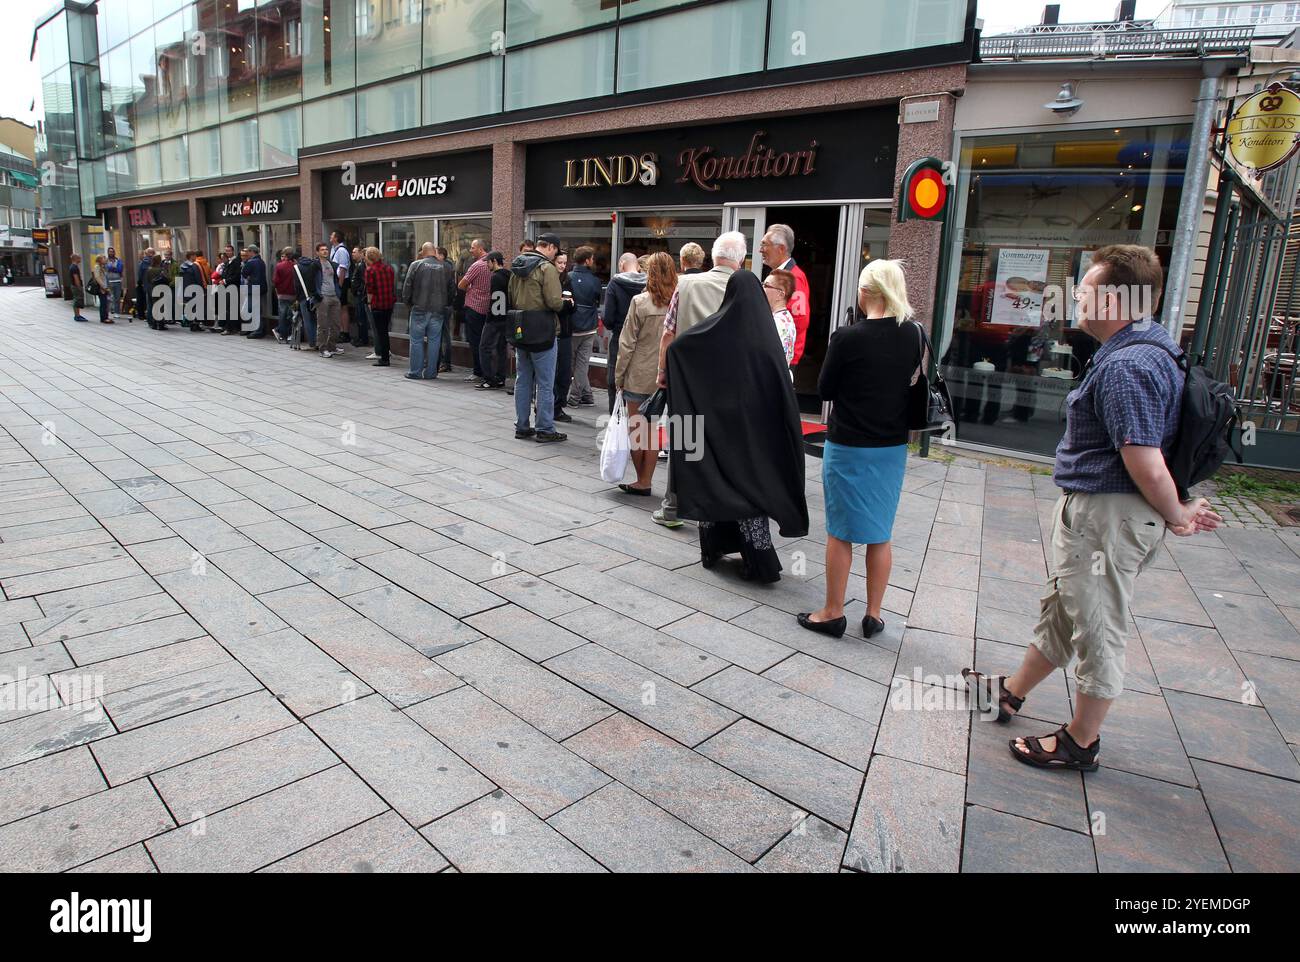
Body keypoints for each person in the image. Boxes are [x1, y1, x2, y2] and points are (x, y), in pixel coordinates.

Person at [962, 245, 1222, 773]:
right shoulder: (1147, 348)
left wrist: (1177, 513)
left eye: (1086, 287)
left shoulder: (1129, 364)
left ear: (1116, 297)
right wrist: (1176, 508)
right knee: (1065, 609)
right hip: (1106, 514)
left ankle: (1081, 740)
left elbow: (1145, 460)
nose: (1076, 294)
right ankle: (1009, 693)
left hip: (1108, 516)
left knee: (1098, 623)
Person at [797, 260, 922, 641]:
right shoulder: (914, 334)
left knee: (841, 532)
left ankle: (833, 613)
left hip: (849, 444)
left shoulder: (847, 337)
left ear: (865, 292)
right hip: (890, 447)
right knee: (880, 533)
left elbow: (825, 390)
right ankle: (873, 615)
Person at [667, 269, 808, 581]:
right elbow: (779, 384)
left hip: (719, 424)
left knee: (715, 478)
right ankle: (759, 560)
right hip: (754, 429)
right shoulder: (766, 338)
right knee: (750, 483)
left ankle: (714, 547)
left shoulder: (717, 329)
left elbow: (681, 348)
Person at [652, 232, 743, 529]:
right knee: (721, 442)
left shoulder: (687, 283)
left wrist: (662, 371)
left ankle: (673, 506)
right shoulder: (744, 287)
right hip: (728, 380)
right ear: (740, 260)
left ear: (714, 256)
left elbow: (669, 332)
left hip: (688, 379)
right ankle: (716, 505)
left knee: (685, 440)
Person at [614, 251, 677, 496]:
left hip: (638, 374)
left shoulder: (640, 302)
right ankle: (645, 479)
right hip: (666, 374)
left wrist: (619, 376)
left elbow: (626, 343)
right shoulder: (679, 301)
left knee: (636, 430)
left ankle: (641, 481)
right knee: (651, 432)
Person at [508, 232, 567, 443]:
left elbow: (512, 297)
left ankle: (522, 426)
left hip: (520, 327)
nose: (556, 255)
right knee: (544, 382)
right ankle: (545, 428)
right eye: (556, 251)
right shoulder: (546, 268)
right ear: (550, 247)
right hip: (543, 330)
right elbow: (554, 302)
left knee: (522, 379)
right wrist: (567, 303)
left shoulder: (517, 266)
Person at [402, 242, 457, 380]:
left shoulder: (416, 265)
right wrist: (446, 304)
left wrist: (408, 303)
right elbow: (452, 289)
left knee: (416, 340)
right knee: (434, 340)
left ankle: (415, 372)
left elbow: (407, 286)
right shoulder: (446, 267)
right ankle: (431, 372)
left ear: (423, 252)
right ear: (434, 252)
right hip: (438, 309)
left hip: (419, 307)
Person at [760, 224, 811, 367]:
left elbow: (800, 320)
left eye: (765, 245)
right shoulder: (785, 275)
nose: (760, 250)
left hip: (783, 359)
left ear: (781, 248)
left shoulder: (795, 277)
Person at [602, 252, 647, 413]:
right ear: (638, 266)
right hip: (642, 338)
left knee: (614, 378)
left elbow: (607, 318)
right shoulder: (648, 284)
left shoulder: (615, 283)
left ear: (622, 265)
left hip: (620, 335)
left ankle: (617, 417)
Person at [566, 246, 603, 408]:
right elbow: (596, 301)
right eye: (592, 258)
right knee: (582, 364)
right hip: (589, 326)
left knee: (573, 364)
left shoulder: (567, 277)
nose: (593, 261)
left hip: (572, 325)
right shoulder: (595, 281)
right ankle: (586, 395)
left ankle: (574, 397)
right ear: (587, 260)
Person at [458, 239, 492, 384]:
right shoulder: (492, 264)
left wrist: (471, 290)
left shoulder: (477, 265)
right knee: (485, 342)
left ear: (480, 248)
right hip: (487, 308)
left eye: (472, 248)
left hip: (474, 307)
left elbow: (461, 284)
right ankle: (487, 370)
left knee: (475, 341)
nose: (471, 250)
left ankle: (478, 371)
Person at [478, 251, 511, 390]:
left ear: (494, 261)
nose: (486, 264)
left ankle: (489, 379)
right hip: (507, 318)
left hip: (496, 319)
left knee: (484, 347)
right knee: (501, 349)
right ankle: (500, 378)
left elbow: (497, 300)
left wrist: (491, 318)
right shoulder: (509, 275)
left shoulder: (496, 277)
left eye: (488, 262)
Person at [553, 250, 575, 424]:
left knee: (564, 372)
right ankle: (551, 406)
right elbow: (555, 306)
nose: (562, 266)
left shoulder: (567, 279)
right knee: (552, 372)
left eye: (564, 262)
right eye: (559, 262)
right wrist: (564, 304)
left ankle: (559, 405)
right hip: (552, 331)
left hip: (566, 331)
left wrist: (568, 304)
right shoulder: (549, 279)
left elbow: (572, 307)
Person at [364, 247, 395, 368]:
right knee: (385, 331)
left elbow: (370, 290)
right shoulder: (389, 268)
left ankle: (384, 358)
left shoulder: (370, 270)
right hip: (389, 303)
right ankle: (386, 356)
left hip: (378, 304)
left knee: (380, 332)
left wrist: (369, 303)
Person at [764, 268, 798, 368]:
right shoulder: (787, 318)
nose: (762, 288)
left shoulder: (777, 323)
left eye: (766, 285)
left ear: (780, 294)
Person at [315, 241, 344, 356]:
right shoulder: (315, 265)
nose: (325, 251)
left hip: (334, 296)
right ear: (317, 252)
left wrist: (338, 292)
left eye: (326, 249)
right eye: (322, 250)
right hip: (323, 296)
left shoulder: (331, 264)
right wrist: (317, 295)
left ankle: (332, 346)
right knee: (322, 325)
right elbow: (311, 282)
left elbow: (336, 279)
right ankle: (322, 349)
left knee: (336, 324)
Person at [292, 247, 323, 350]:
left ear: (295, 260)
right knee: (317, 320)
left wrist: (297, 298)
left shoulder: (297, 267)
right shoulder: (313, 264)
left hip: (303, 297)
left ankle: (313, 342)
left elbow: (296, 285)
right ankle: (320, 341)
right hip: (316, 296)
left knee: (308, 320)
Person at [242, 245, 268, 338]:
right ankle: (258, 329)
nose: (247, 254)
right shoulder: (261, 262)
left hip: (253, 289)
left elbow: (244, 273)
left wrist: (248, 276)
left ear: (252, 252)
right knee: (257, 309)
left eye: (248, 252)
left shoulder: (251, 262)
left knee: (251, 310)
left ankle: (257, 330)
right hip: (261, 288)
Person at [272, 248, 298, 343]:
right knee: (291, 315)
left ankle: (283, 335)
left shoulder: (279, 266)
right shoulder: (296, 266)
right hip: (293, 294)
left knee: (282, 315)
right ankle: (290, 334)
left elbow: (275, 281)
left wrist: (277, 290)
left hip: (282, 294)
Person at [350, 245, 370, 349]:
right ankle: (362, 337)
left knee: (361, 317)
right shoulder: (359, 265)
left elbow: (362, 280)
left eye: (354, 252)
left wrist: (358, 290)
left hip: (361, 295)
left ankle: (363, 338)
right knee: (360, 317)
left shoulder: (362, 266)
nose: (352, 254)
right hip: (360, 294)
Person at [179, 251, 205, 332]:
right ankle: (195, 325)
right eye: (194, 255)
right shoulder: (194, 266)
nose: (195, 257)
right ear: (191, 256)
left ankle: (191, 324)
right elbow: (198, 278)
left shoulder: (182, 266)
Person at [145, 255, 170, 329]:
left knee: (154, 307)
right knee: (161, 307)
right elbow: (168, 278)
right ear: (159, 261)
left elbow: (148, 280)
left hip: (152, 289)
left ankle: (154, 324)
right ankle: (161, 324)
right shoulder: (161, 270)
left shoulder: (149, 270)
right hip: (161, 289)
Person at [90, 255, 113, 324]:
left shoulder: (101, 267)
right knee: (103, 302)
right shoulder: (97, 267)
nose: (105, 259)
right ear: (99, 259)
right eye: (104, 258)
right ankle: (104, 318)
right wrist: (103, 287)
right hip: (101, 288)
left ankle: (106, 317)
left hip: (104, 287)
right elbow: (97, 278)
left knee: (105, 302)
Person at [134, 248, 155, 322]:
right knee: (150, 302)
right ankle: (150, 317)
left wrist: (140, 282)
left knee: (148, 301)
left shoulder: (143, 262)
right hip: (151, 284)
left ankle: (148, 317)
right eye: (152, 253)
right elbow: (140, 274)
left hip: (146, 284)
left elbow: (140, 274)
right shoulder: (150, 262)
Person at [104, 247, 125, 317]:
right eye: (110, 252)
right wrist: (114, 268)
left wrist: (113, 268)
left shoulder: (118, 260)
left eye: (112, 251)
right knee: (110, 297)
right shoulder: (106, 260)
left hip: (118, 281)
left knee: (117, 297)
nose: (111, 253)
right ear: (108, 252)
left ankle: (117, 312)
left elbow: (120, 269)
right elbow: (107, 268)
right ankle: (110, 310)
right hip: (109, 281)